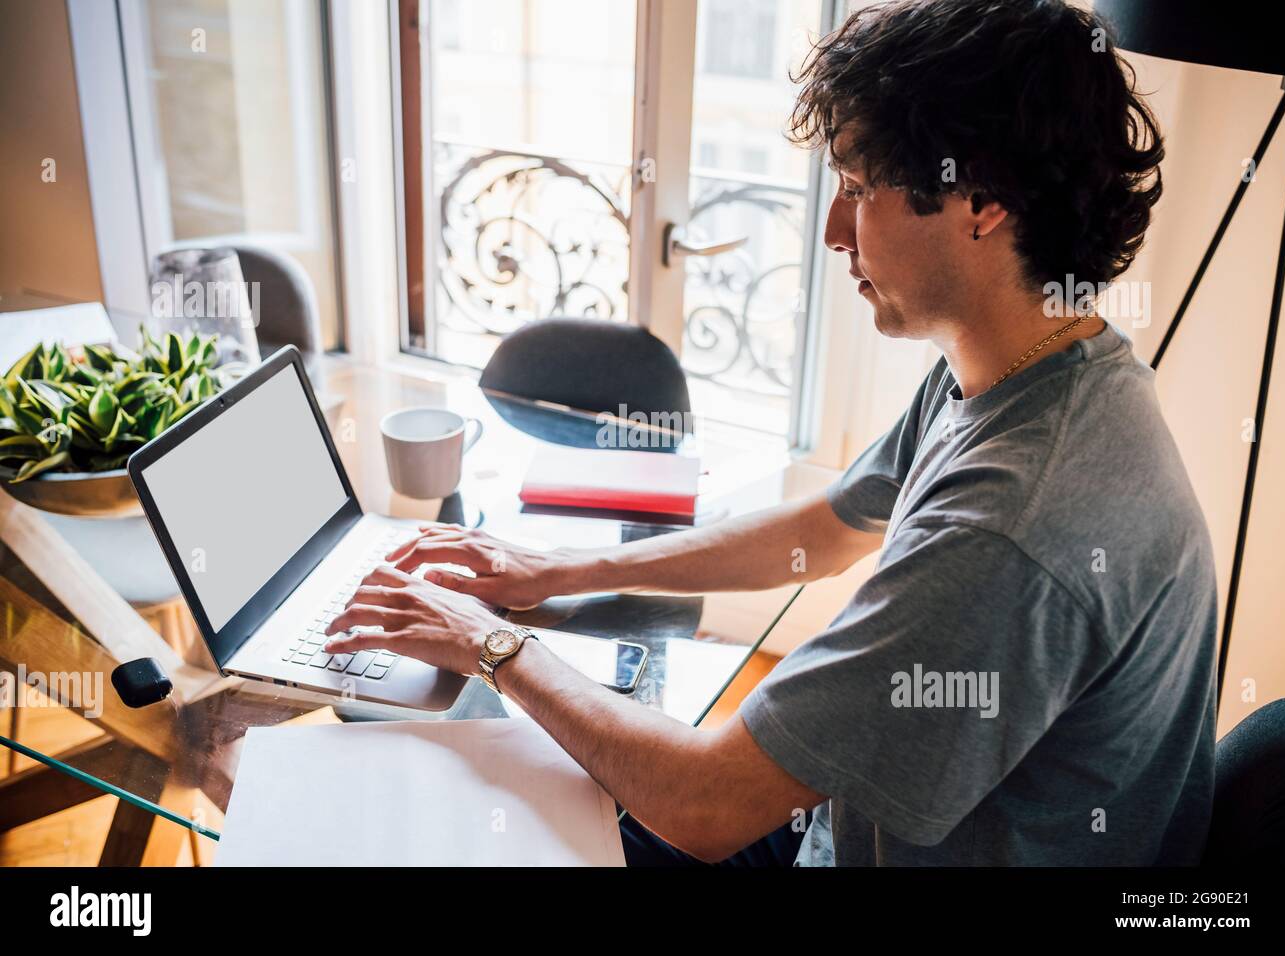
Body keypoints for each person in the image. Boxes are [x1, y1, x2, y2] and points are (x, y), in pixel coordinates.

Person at [325, 0, 1217, 866]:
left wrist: (492, 645)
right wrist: (559, 570)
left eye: (860, 189)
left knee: (459, 804)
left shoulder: (1011, 529)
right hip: (831, 824)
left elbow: (706, 806)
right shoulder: (1029, 366)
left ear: (980, 200)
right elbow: (822, 532)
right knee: (504, 783)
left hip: (798, 833)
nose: (833, 229)